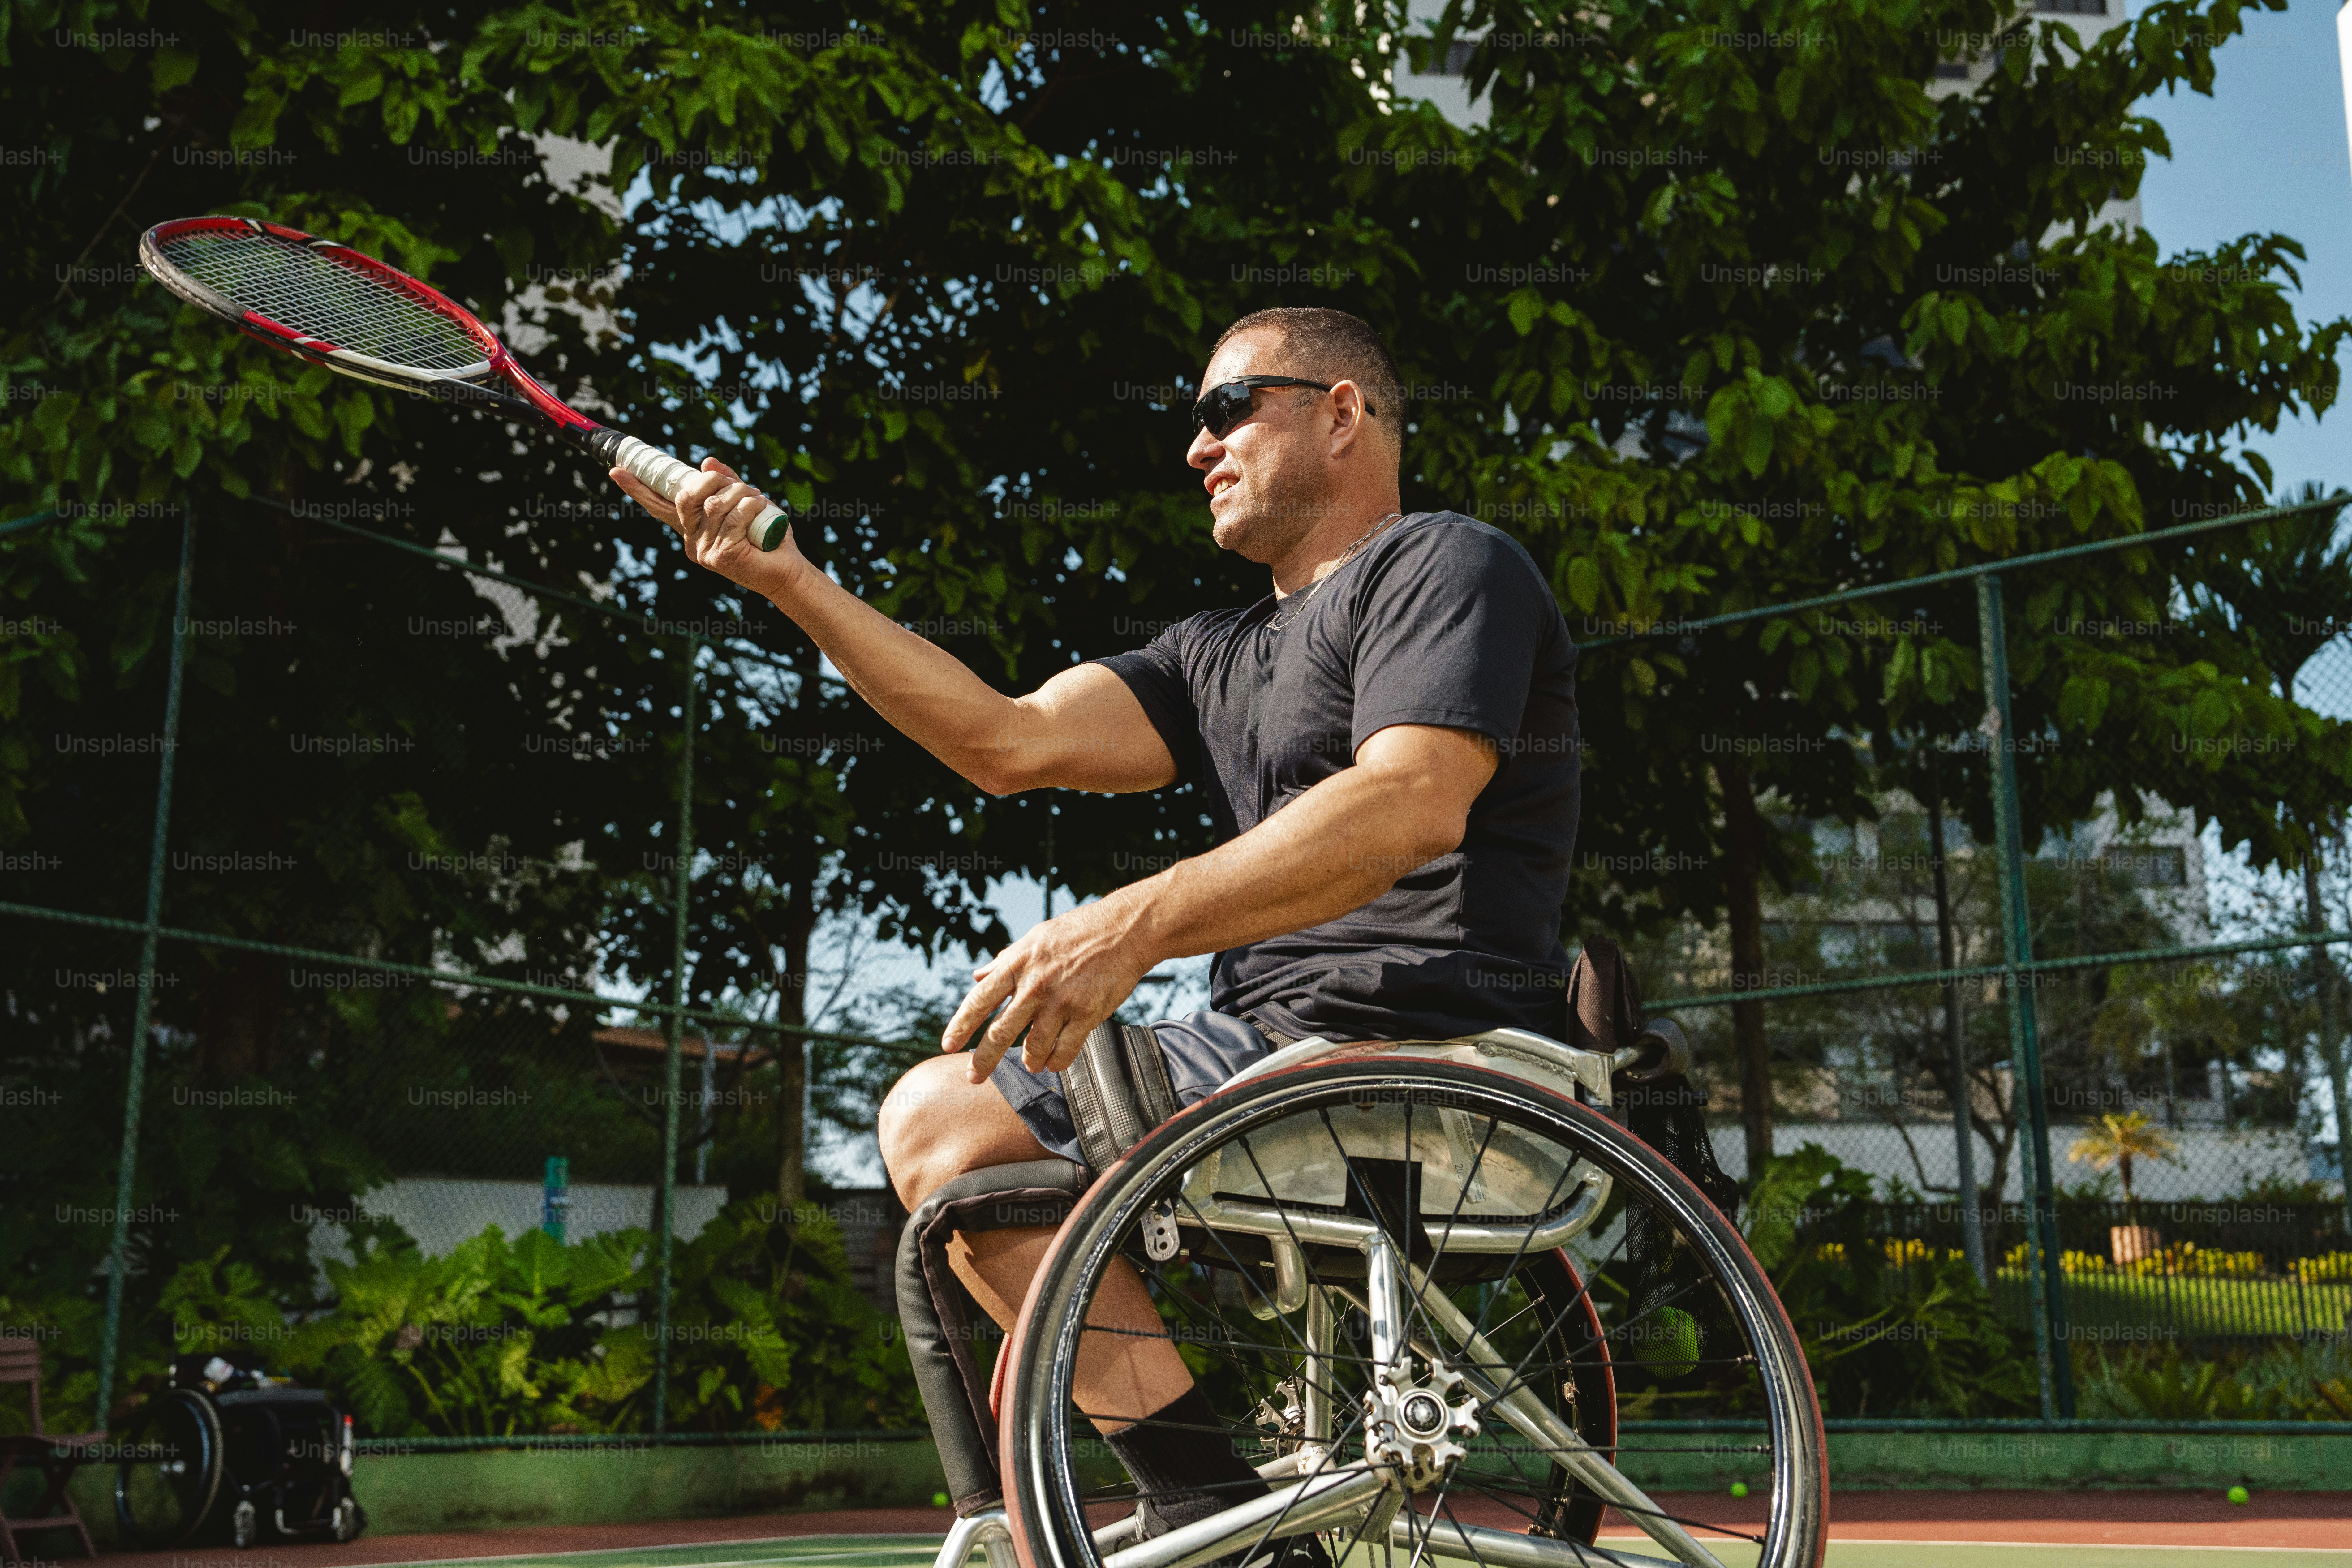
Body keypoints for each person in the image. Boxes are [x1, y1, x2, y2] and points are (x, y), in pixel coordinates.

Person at [609, 307, 1580, 1556]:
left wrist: (1130, 925)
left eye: (1227, 409)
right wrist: (787, 580)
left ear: (1343, 413)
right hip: (1274, 1057)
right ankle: (1222, 1509)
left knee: (942, 1119)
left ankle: (1208, 1512)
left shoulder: (1444, 563)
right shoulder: (1209, 654)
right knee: (958, 1142)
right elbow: (1003, 740)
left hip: (1414, 1042)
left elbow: (1409, 801)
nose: (1196, 447)